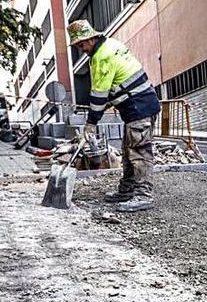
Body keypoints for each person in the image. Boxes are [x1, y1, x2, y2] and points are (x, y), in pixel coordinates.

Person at [66, 20, 161, 213]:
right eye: (77, 46)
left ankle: (143, 195)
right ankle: (127, 190)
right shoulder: (112, 45)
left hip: (138, 108)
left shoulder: (102, 56)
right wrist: (104, 105)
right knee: (128, 151)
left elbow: (99, 93)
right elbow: (117, 85)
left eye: (82, 44)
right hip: (139, 104)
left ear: (91, 38)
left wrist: (91, 123)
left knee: (139, 153)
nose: (81, 49)